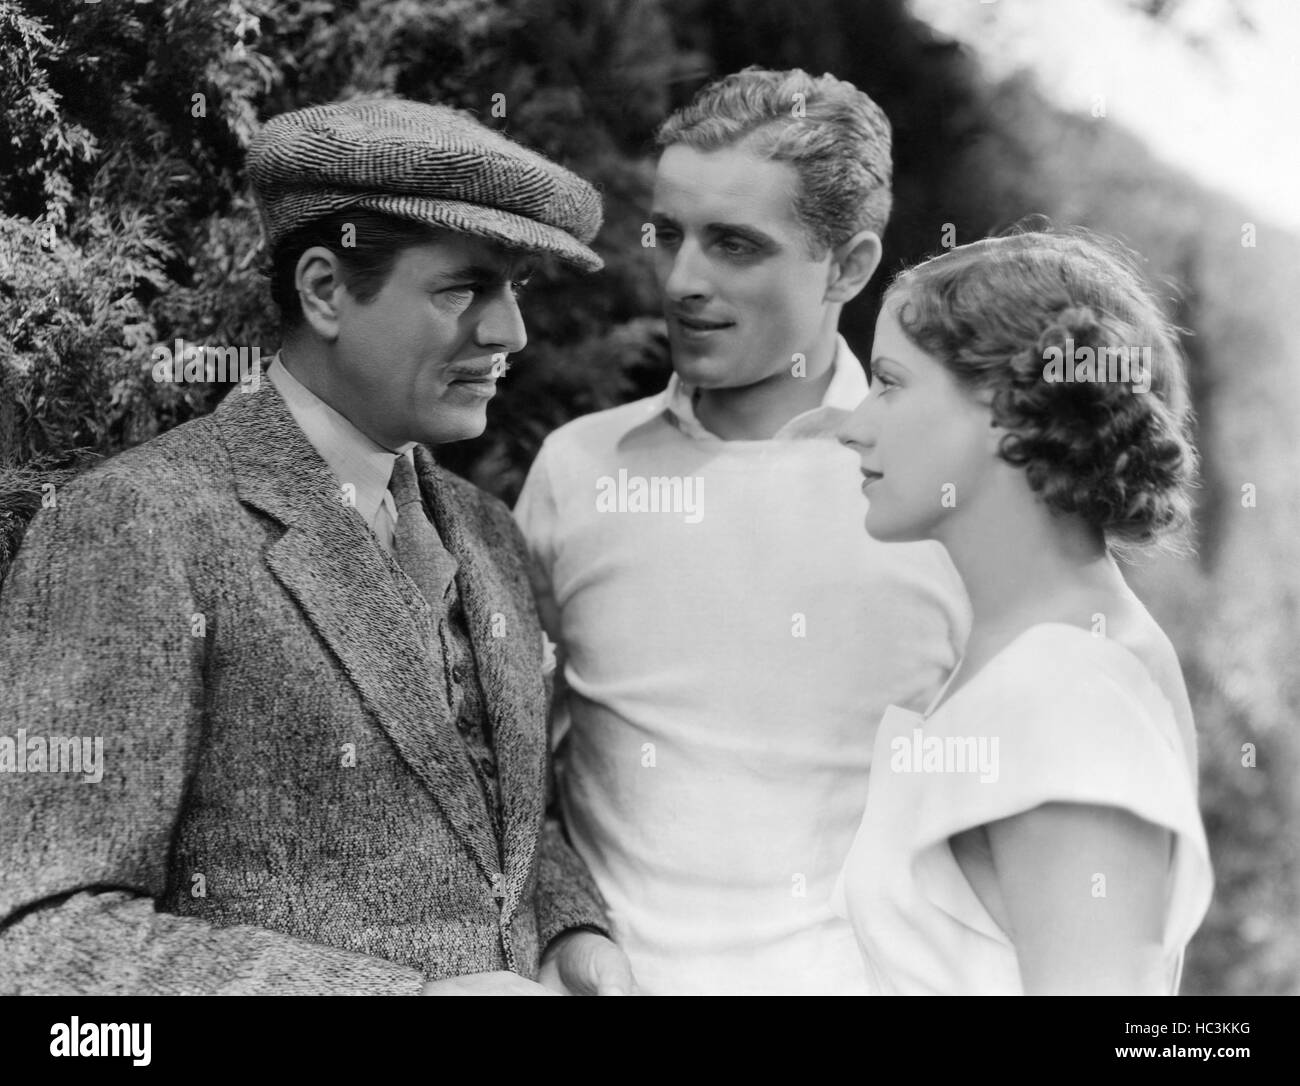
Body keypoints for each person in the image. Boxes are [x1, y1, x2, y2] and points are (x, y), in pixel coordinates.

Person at [0, 97, 635, 996]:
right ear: (325, 290)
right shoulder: (136, 525)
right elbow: (42, 941)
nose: (510, 334)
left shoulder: (486, 528)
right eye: (463, 288)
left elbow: (491, 816)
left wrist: (575, 931)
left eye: (515, 289)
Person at [514, 67, 969, 994]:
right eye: (670, 235)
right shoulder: (577, 471)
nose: (682, 281)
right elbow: (498, 781)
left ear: (848, 265)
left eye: (734, 245)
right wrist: (563, 933)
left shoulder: (948, 509)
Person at [833, 228, 1214, 995]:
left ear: (1009, 409)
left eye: (890, 382)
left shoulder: (1068, 692)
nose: (854, 424)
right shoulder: (1031, 653)